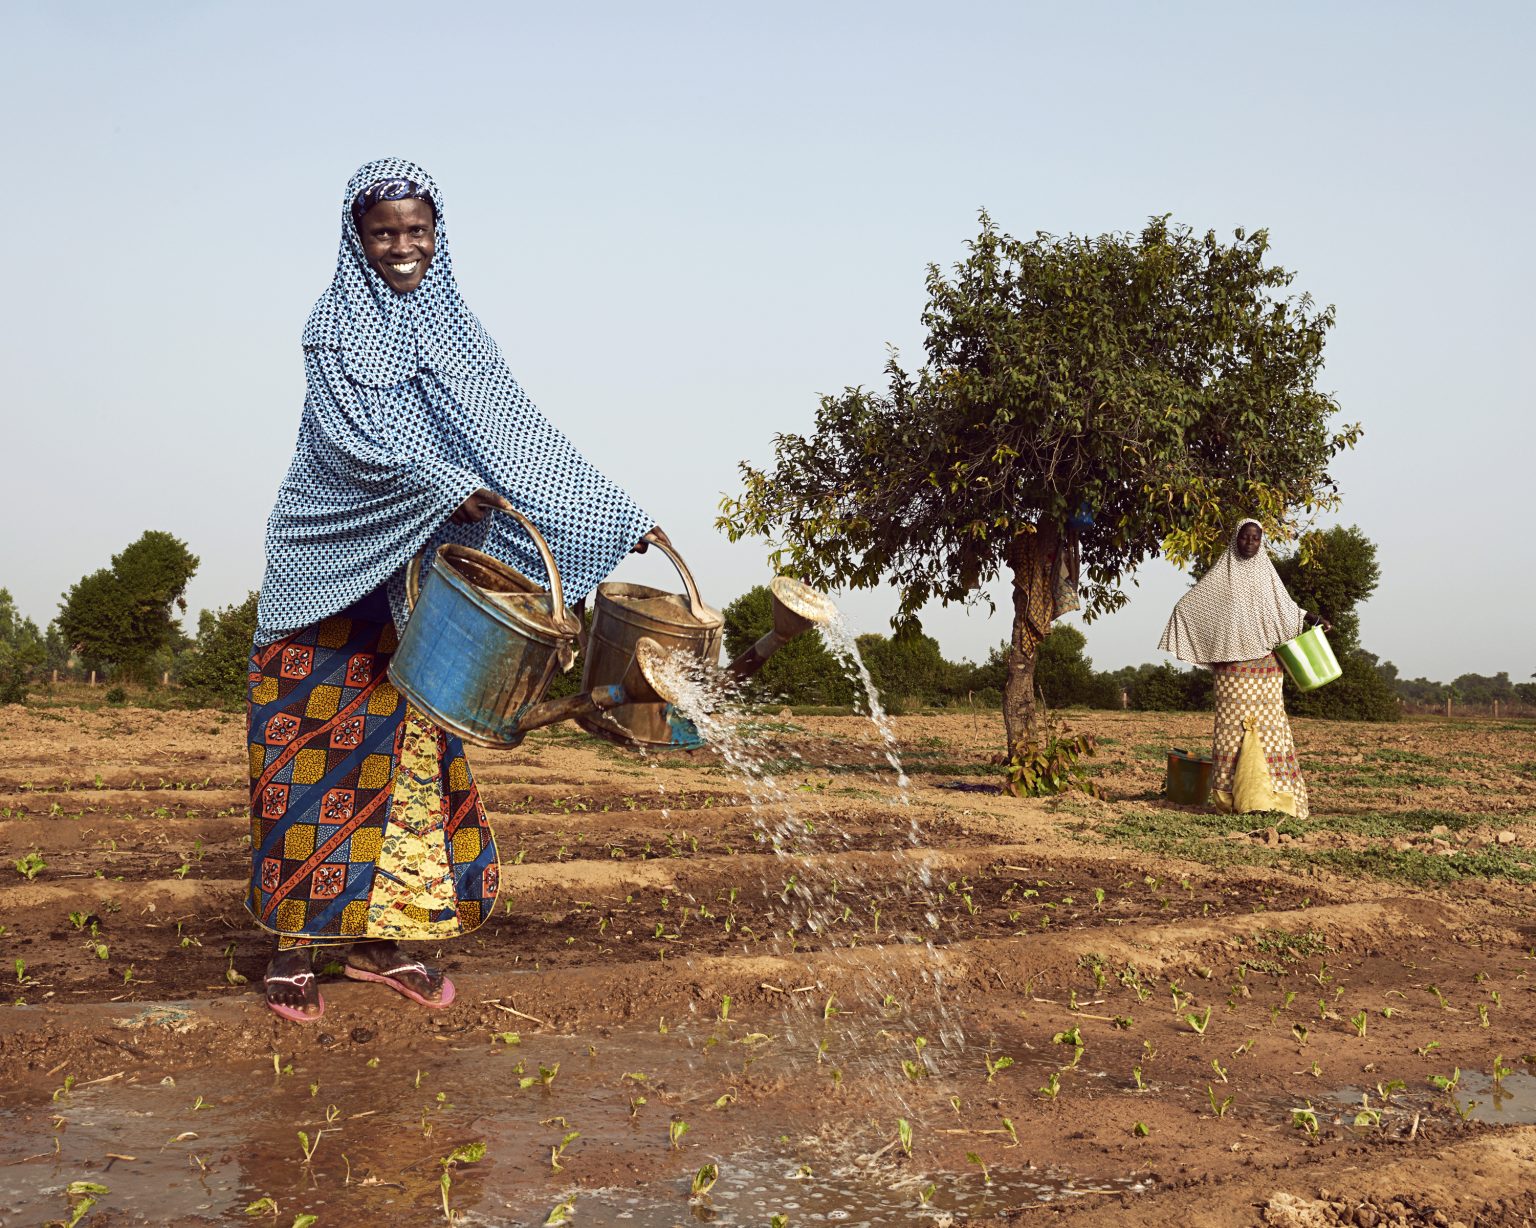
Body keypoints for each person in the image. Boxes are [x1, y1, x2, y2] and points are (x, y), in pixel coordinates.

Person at [248, 158, 661, 1022]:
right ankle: (292, 950)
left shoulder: (456, 327)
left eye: (416, 231)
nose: (403, 248)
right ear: (357, 240)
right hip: (330, 576)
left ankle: (382, 944)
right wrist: (440, 481)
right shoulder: (333, 327)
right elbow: (348, 444)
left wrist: (616, 512)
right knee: (309, 759)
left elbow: (517, 430)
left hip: (418, 587)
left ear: (440, 233)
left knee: (411, 763)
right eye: (384, 233)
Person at [1158, 519, 1329, 820]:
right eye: (1245, 537)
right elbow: (1187, 606)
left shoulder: (1267, 575)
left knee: (1272, 731)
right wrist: (1187, 625)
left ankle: (1277, 799)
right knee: (1231, 733)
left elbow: (1288, 608)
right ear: (1236, 539)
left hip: (1267, 666)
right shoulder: (1220, 577)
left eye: (1255, 538)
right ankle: (1230, 801)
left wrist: (1315, 619)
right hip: (1231, 671)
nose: (1250, 542)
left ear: (1261, 542)